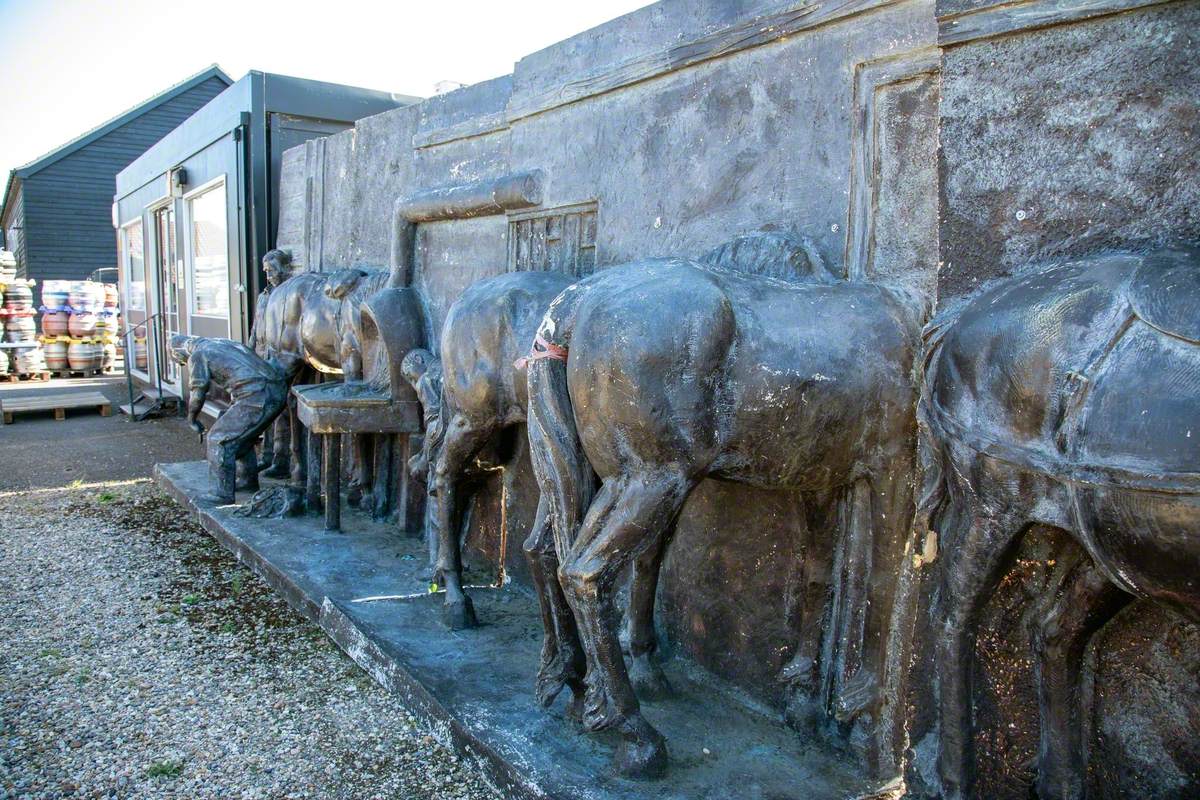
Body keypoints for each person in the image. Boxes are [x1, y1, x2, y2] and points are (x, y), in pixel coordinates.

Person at [170, 335, 288, 505]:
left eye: (180, 361)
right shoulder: (222, 342)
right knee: (241, 435)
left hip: (257, 396)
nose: (183, 364)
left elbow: (198, 392)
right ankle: (247, 481)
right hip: (276, 389)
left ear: (178, 352)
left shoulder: (197, 355)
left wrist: (192, 419)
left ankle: (221, 494)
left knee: (219, 439)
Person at [248, 249, 294, 478]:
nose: (268, 275)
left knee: (282, 411)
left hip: (281, 359)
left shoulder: (289, 296)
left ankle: (280, 459)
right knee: (263, 408)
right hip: (262, 357)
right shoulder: (264, 295)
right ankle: (265, 456)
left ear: (285, 268)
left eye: (272, 270)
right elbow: (256, 327)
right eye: (266, 271)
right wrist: (249, 351)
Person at [400, 348, 445, 569]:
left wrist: (423, 457)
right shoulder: (449, 367)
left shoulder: (428, 379)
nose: (412, 382)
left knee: (436, 498)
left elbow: (435, 423)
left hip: (444, 449)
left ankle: (436, 563)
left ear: (419, 359)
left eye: (410, 375)